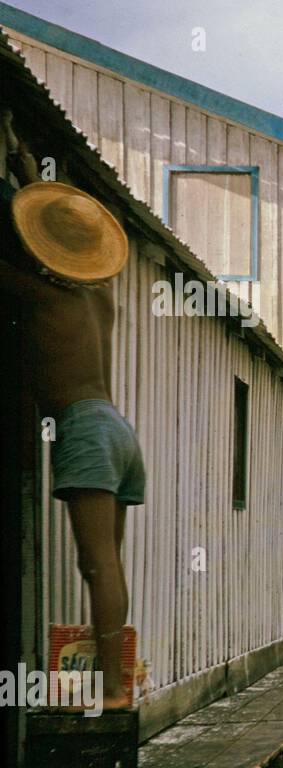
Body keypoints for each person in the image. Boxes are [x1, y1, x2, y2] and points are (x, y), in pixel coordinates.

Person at [0, 111, 136, 710]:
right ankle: (118, 683)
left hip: (83, 425)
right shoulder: (98, 295)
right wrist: (21, 156)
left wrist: (18, 181)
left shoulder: (37, 293)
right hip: (118, 428)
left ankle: (112, 692)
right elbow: (48, 220)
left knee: (96, 566)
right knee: (111, 566)